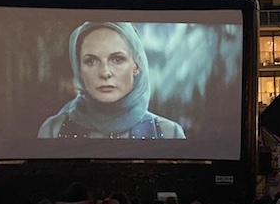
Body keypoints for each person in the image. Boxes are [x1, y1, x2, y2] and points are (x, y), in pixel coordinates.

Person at [37, 22, 185, 139]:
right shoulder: (52, 130)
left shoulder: (169, 132)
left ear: (136, 66)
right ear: (79, 69)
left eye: (117, 59)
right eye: (91, 61)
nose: (105, 72)